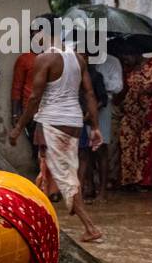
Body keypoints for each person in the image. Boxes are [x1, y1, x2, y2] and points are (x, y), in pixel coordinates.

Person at [10, 22, 104, 242]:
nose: (34, 39)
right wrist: (96, 127)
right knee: (49, 169)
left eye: (35, 34)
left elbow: (34, 98)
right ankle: (38, 221)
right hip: (73, 121)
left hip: (52, 121)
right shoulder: (78, 58)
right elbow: (90, 94)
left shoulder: (45, 59)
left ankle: (90, 227)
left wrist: (18, 127)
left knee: (63, 176)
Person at [116, 49, 152, 190]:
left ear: (136, 53)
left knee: (146, 146)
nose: (125, 60)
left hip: (149, 111)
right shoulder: (127, 69)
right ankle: (128, 180)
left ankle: (144, 180)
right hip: (130, 112)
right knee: (127, 144)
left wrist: (146, 92)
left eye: (127, 56)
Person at [86, 51, 122, 201]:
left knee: (101, 149)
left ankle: (102, 191)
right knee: (85, 150)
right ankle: (89, 187)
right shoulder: (83, 60)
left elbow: (118, 87)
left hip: (103, 106)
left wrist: (100, 80)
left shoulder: (112, 61)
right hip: (85, 107)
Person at [10, 34, 38, 160]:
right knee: (37, 148)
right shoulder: (24, 59)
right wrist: (15, 113)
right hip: (31, 111)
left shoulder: (55, 58)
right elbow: (17, 87)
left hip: (51, 111)